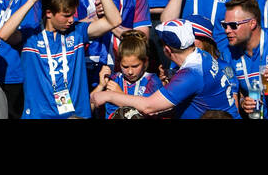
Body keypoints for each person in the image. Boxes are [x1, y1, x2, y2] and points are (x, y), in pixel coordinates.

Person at [90, 18, 239, 117]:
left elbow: (148, 106)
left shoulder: (191, 74)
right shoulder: (201, 55)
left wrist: (108, 96)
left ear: (167, 50)